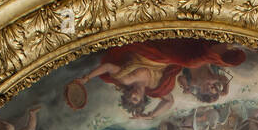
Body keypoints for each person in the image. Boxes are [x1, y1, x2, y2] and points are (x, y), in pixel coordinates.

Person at [69, 40, 246, 117]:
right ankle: (229, 47)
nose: (133, 94)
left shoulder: (127, 80)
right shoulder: (154, 90)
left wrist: (86, 79)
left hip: (151, 51)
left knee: (191, 60)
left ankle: (228, 45)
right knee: (191, 60)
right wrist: (151, 115)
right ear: (142, 99)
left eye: (129, 96)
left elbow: (108, 67)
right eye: (135, 99)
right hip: (167, 58)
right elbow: (169, 101)